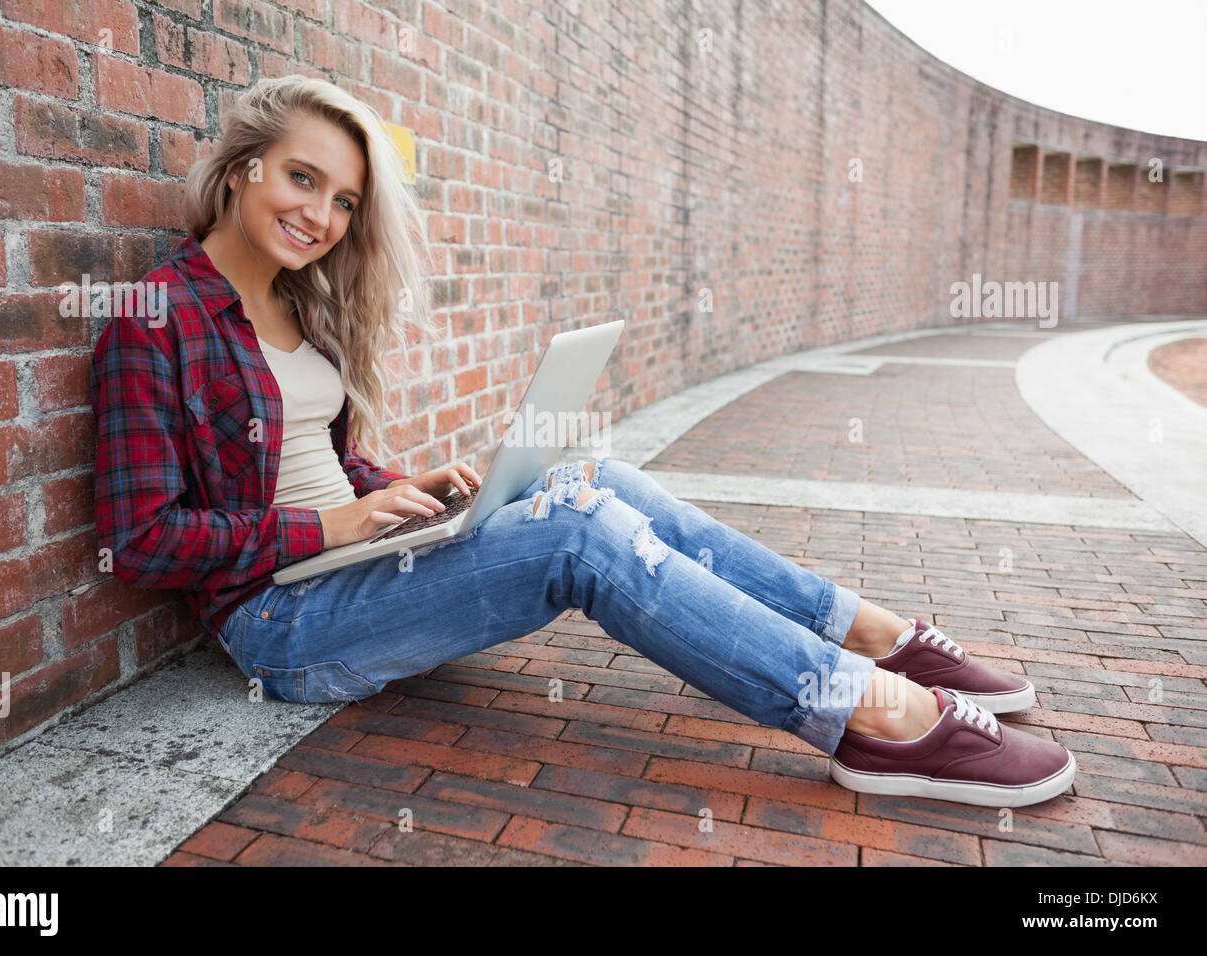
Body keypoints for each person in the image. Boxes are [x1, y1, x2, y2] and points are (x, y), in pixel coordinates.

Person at [90, 75, 1076, 810]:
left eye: (344, 199)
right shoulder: (154, 319)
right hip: (282, 624)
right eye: (302, 179)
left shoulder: (296, 302)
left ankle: (868, 630)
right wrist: (332, 522)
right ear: (238, 167)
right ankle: (869, 715)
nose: (322, 214)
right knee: (576, 533)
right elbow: (140, 539)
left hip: (343, 561)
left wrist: (396, 490)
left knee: (586, 475)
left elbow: (308, 461)